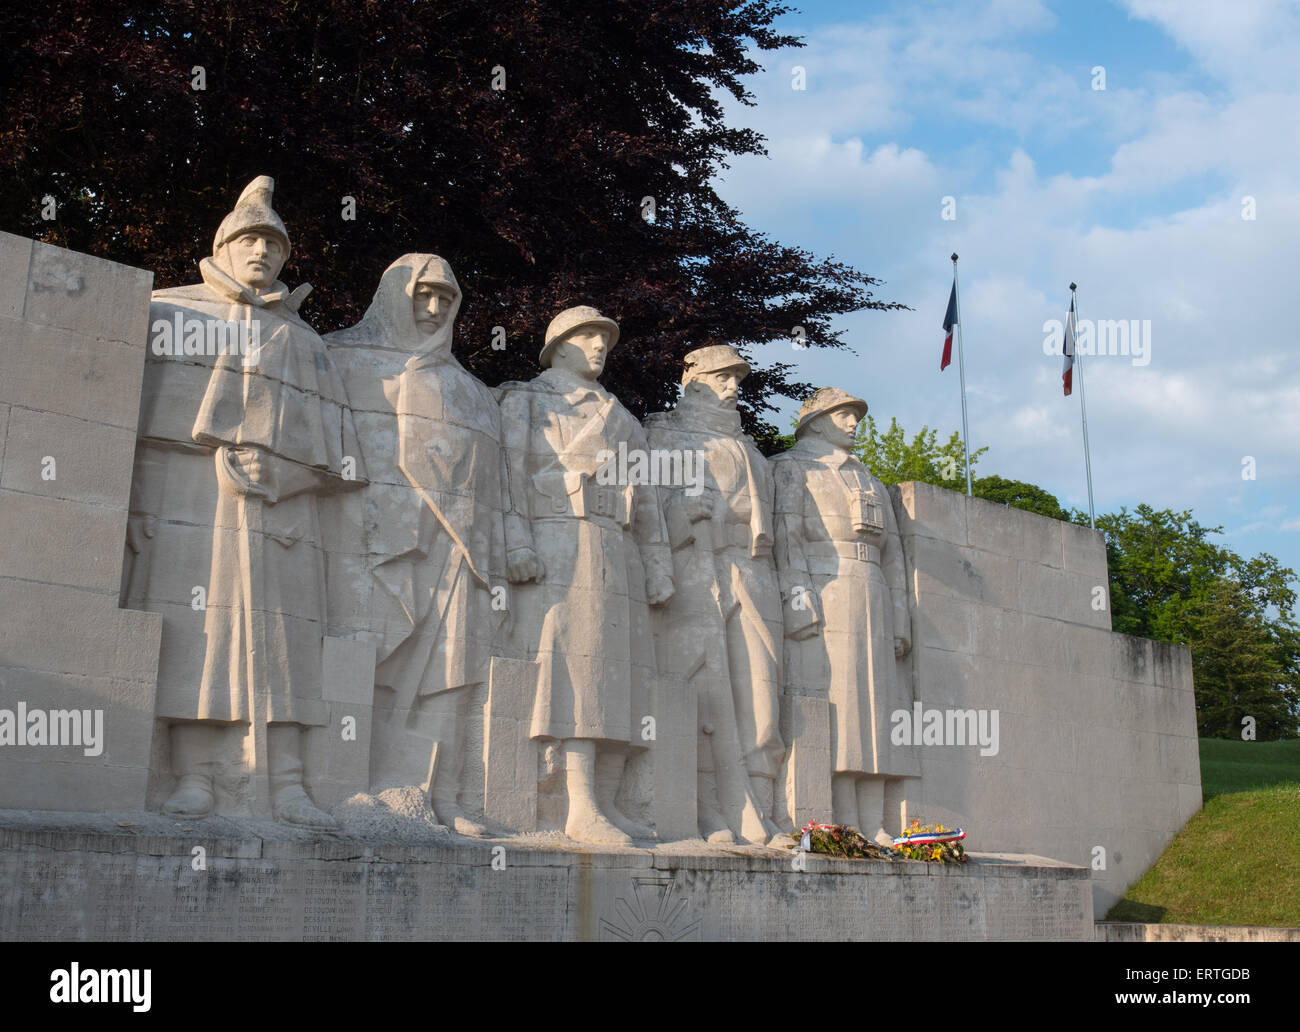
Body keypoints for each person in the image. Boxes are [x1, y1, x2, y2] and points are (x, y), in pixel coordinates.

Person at [144, 176, 366, 828]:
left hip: (285, 515)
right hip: (194, 507)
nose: (263, 252)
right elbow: (138, 424)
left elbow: (345, 459)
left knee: (285, 644)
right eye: (250, 239)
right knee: (198, 641)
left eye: (274, 243)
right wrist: (135, 506)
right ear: (224, 244)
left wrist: (287, 478)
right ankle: (192, 777)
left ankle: (289, 781)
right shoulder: (173, 314)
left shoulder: (305, 343)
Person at [326, 254, 503, 835]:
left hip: (458, 546)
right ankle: (352, 781)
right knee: (375, 655)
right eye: (422, 294)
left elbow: (499, 485)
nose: (433, 309)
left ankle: (443, 793)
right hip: (375, 541)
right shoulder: (339, 356)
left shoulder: (472, 390)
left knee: (450, 668)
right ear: (393, 293)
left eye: (445, 300)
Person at [499, 306, 673, 846]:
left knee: (622, 675)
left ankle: (607, 799)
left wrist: (659, 566)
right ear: (558, 346)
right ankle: (578, 805)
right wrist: (518, 541)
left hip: (616, 546)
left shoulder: (624, 418)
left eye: (605, 339)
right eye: (587, 337)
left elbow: (647, 503)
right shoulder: (527, 401)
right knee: (574, 672)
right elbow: (507, 476)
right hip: (560, 538)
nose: (599, 346)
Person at [645, 345, 789, 845]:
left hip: (752, 575)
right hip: (694, 569)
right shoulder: (663, 433)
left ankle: (756, 803)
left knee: (760, 695)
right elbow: (642, 512)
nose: (732, 387)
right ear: (691, 378)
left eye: (737, 380)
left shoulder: (751, 451)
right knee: (702, 690)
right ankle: (706, 808)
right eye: (722, 377)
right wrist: (684, 514)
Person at [771, 387, 915, 843]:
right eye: (843, 416)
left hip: (871, 591)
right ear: (815, 422)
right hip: (826, 589)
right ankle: (838, 817)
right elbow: (786, 540)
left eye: (856, 416)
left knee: (877, 710)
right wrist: (799, 604)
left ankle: (873, 820)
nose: (853, 424)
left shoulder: (868, 478)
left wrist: (899, 620)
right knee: (842, 706)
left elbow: (894, 558)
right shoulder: (792, 468)